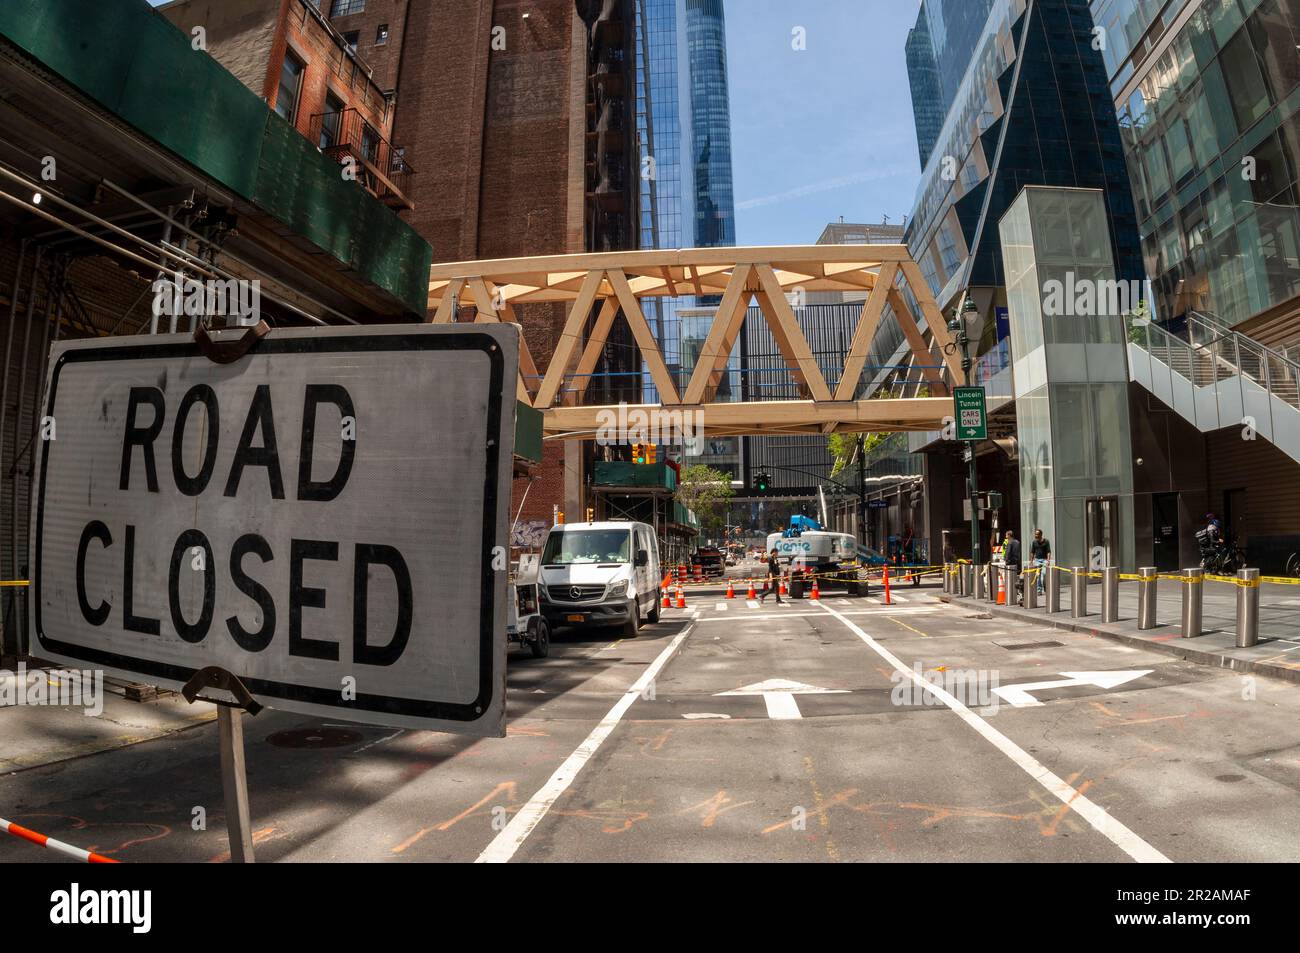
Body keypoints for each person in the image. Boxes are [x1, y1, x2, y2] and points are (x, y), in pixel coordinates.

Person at [1030, 529, 1051, 594]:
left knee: (1044, 574)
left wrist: (1048, 560)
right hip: (1037, 560)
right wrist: (1031, 561)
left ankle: (1045, 587)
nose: (1036, 535)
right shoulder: (1034, 542)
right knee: (1038, 575)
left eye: (1037, 534)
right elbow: (1032, 552)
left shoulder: (1046, 541)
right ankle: (1039, 590)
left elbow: (1048, 552)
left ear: (1041, 534)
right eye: (1035, 534)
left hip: (1044, 560)